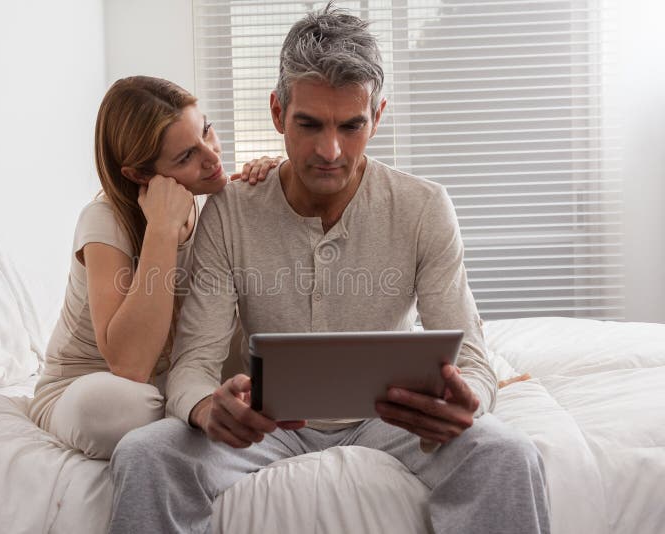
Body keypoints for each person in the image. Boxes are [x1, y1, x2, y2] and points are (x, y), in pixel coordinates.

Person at [109, 5, 551, 534]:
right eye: (309, 124)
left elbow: (472, 358)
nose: (330, 150)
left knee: (508, 453)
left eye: (351, 125)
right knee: (144, 453)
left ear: (377, 117)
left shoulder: (425, 206)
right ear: (278, 113)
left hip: (393, 421)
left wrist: (468, 400)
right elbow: (194, 363)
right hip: (269, 423)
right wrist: (205, 407)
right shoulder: (230, 209)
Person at [28, 76, 278, 460]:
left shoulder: (213, 203)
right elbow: (130, 365)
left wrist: (276, 181)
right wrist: (161, 230)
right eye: (186, 156)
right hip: (93, 386)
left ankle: (189, 409)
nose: (212, 157)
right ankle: (188, 411)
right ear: (140, 175)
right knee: (114, 407)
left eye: (206, 130)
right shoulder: (104, 220)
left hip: (175, 381)